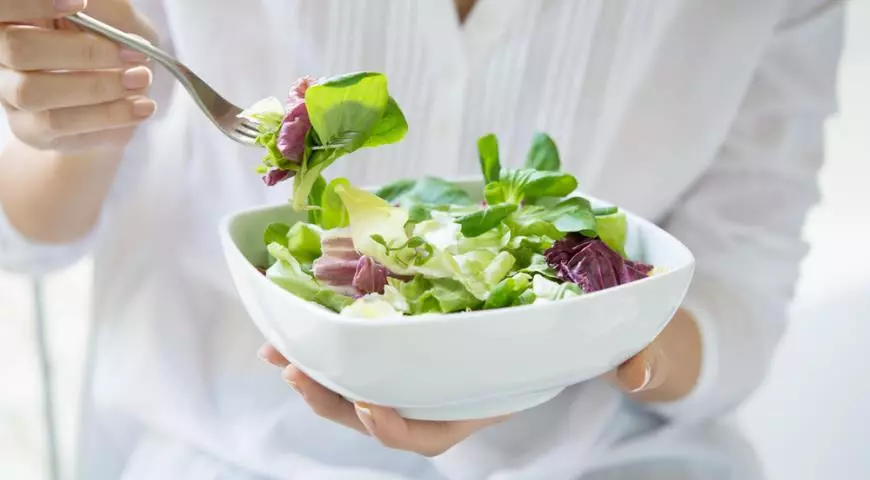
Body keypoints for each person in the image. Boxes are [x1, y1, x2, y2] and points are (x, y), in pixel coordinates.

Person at [0, 0, 844, 478]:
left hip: (603, 458)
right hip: (230, 443)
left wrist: (596, 333)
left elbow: (742, 291)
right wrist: (84, 125)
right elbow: (31, 239)